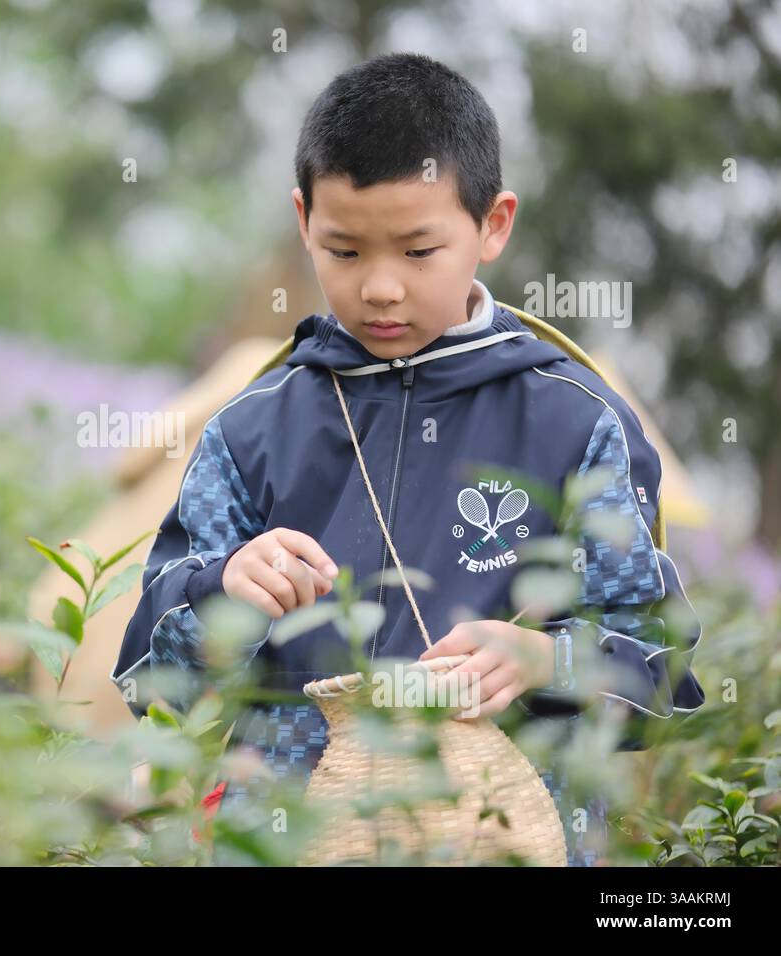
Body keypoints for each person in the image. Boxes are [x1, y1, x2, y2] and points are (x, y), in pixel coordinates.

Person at [112, 53, 705, 865]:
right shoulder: (250, 429)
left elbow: (656, 666)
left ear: (493, 224)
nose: (380, 288)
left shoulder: (575, 420)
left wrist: (545, 658)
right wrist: (223, 588)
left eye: (418, 251)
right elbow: (155, 675)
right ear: (302, 220)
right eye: (345, 251)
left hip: (504, 837)